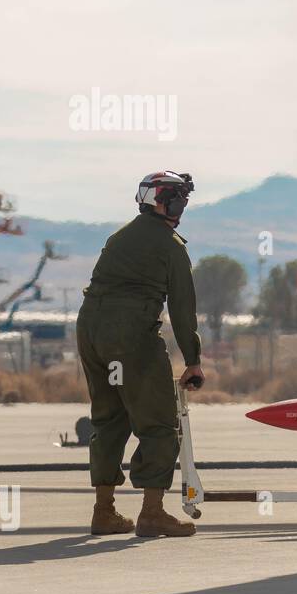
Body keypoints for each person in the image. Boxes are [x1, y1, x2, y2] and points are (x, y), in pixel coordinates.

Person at [79, 171, 202, 538]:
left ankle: (104, 512)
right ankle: (152, 513)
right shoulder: (170, 246)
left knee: (108, 419)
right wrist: (193, 360)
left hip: (90, 331)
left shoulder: (118, 237)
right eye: (180, 199)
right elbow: (183, 310)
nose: (183, 207)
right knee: (160, 424)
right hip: (131, 336)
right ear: (168, 202)